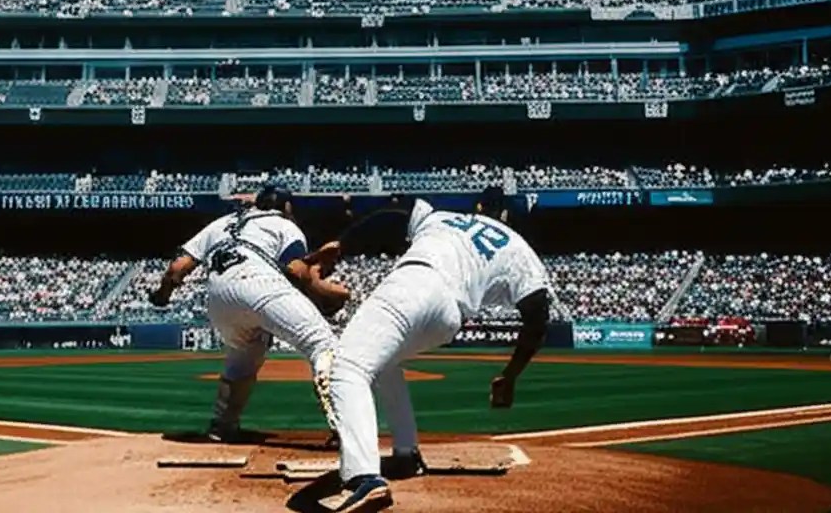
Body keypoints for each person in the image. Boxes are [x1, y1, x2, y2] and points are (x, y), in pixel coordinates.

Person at [323, 186, 552, 513]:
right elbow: (537, 316)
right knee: (382, 363)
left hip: (417, 283)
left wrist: (341, 242)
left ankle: (363, 478)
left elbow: (394, 211)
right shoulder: (519, 247)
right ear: (507, 217)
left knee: (347, 366)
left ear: (478, 207)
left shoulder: (446, 217)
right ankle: (406, 454)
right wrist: (510, 375)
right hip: (449, 317)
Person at [150, 184, 349, 442]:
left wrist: (162, 296)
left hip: (218, 298)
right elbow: (296, 271)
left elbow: (177, 269)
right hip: (260, 284)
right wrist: (320, 275)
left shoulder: (220, 223)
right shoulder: (285, 225)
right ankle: (344, 425)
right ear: (286, 207)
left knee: (242, 360)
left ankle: (223, 425)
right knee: (323, 344)